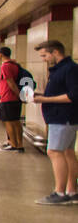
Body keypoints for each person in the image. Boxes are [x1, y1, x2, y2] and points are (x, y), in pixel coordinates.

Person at [30, 39, 78, 205]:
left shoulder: (70, 69)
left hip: (62, 117)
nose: (43, 59)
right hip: (63, 117)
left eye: (45, 55)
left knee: (54, 152)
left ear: (55, 52)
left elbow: (73, 95)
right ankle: (72, 191)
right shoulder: (61, 69)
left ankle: (59, 192)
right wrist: (40, 95)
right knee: (67, 152)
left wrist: (45, 99)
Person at [0, 47, 25, 153]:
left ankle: (13, 144)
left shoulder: (5, 66)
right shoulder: (14, 65)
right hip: (14, 98)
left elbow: (10, 83)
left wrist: (19, 95)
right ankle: (19, 144)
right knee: (16, 121)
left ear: (1, 54)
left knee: (8, 122)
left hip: (8, 98)